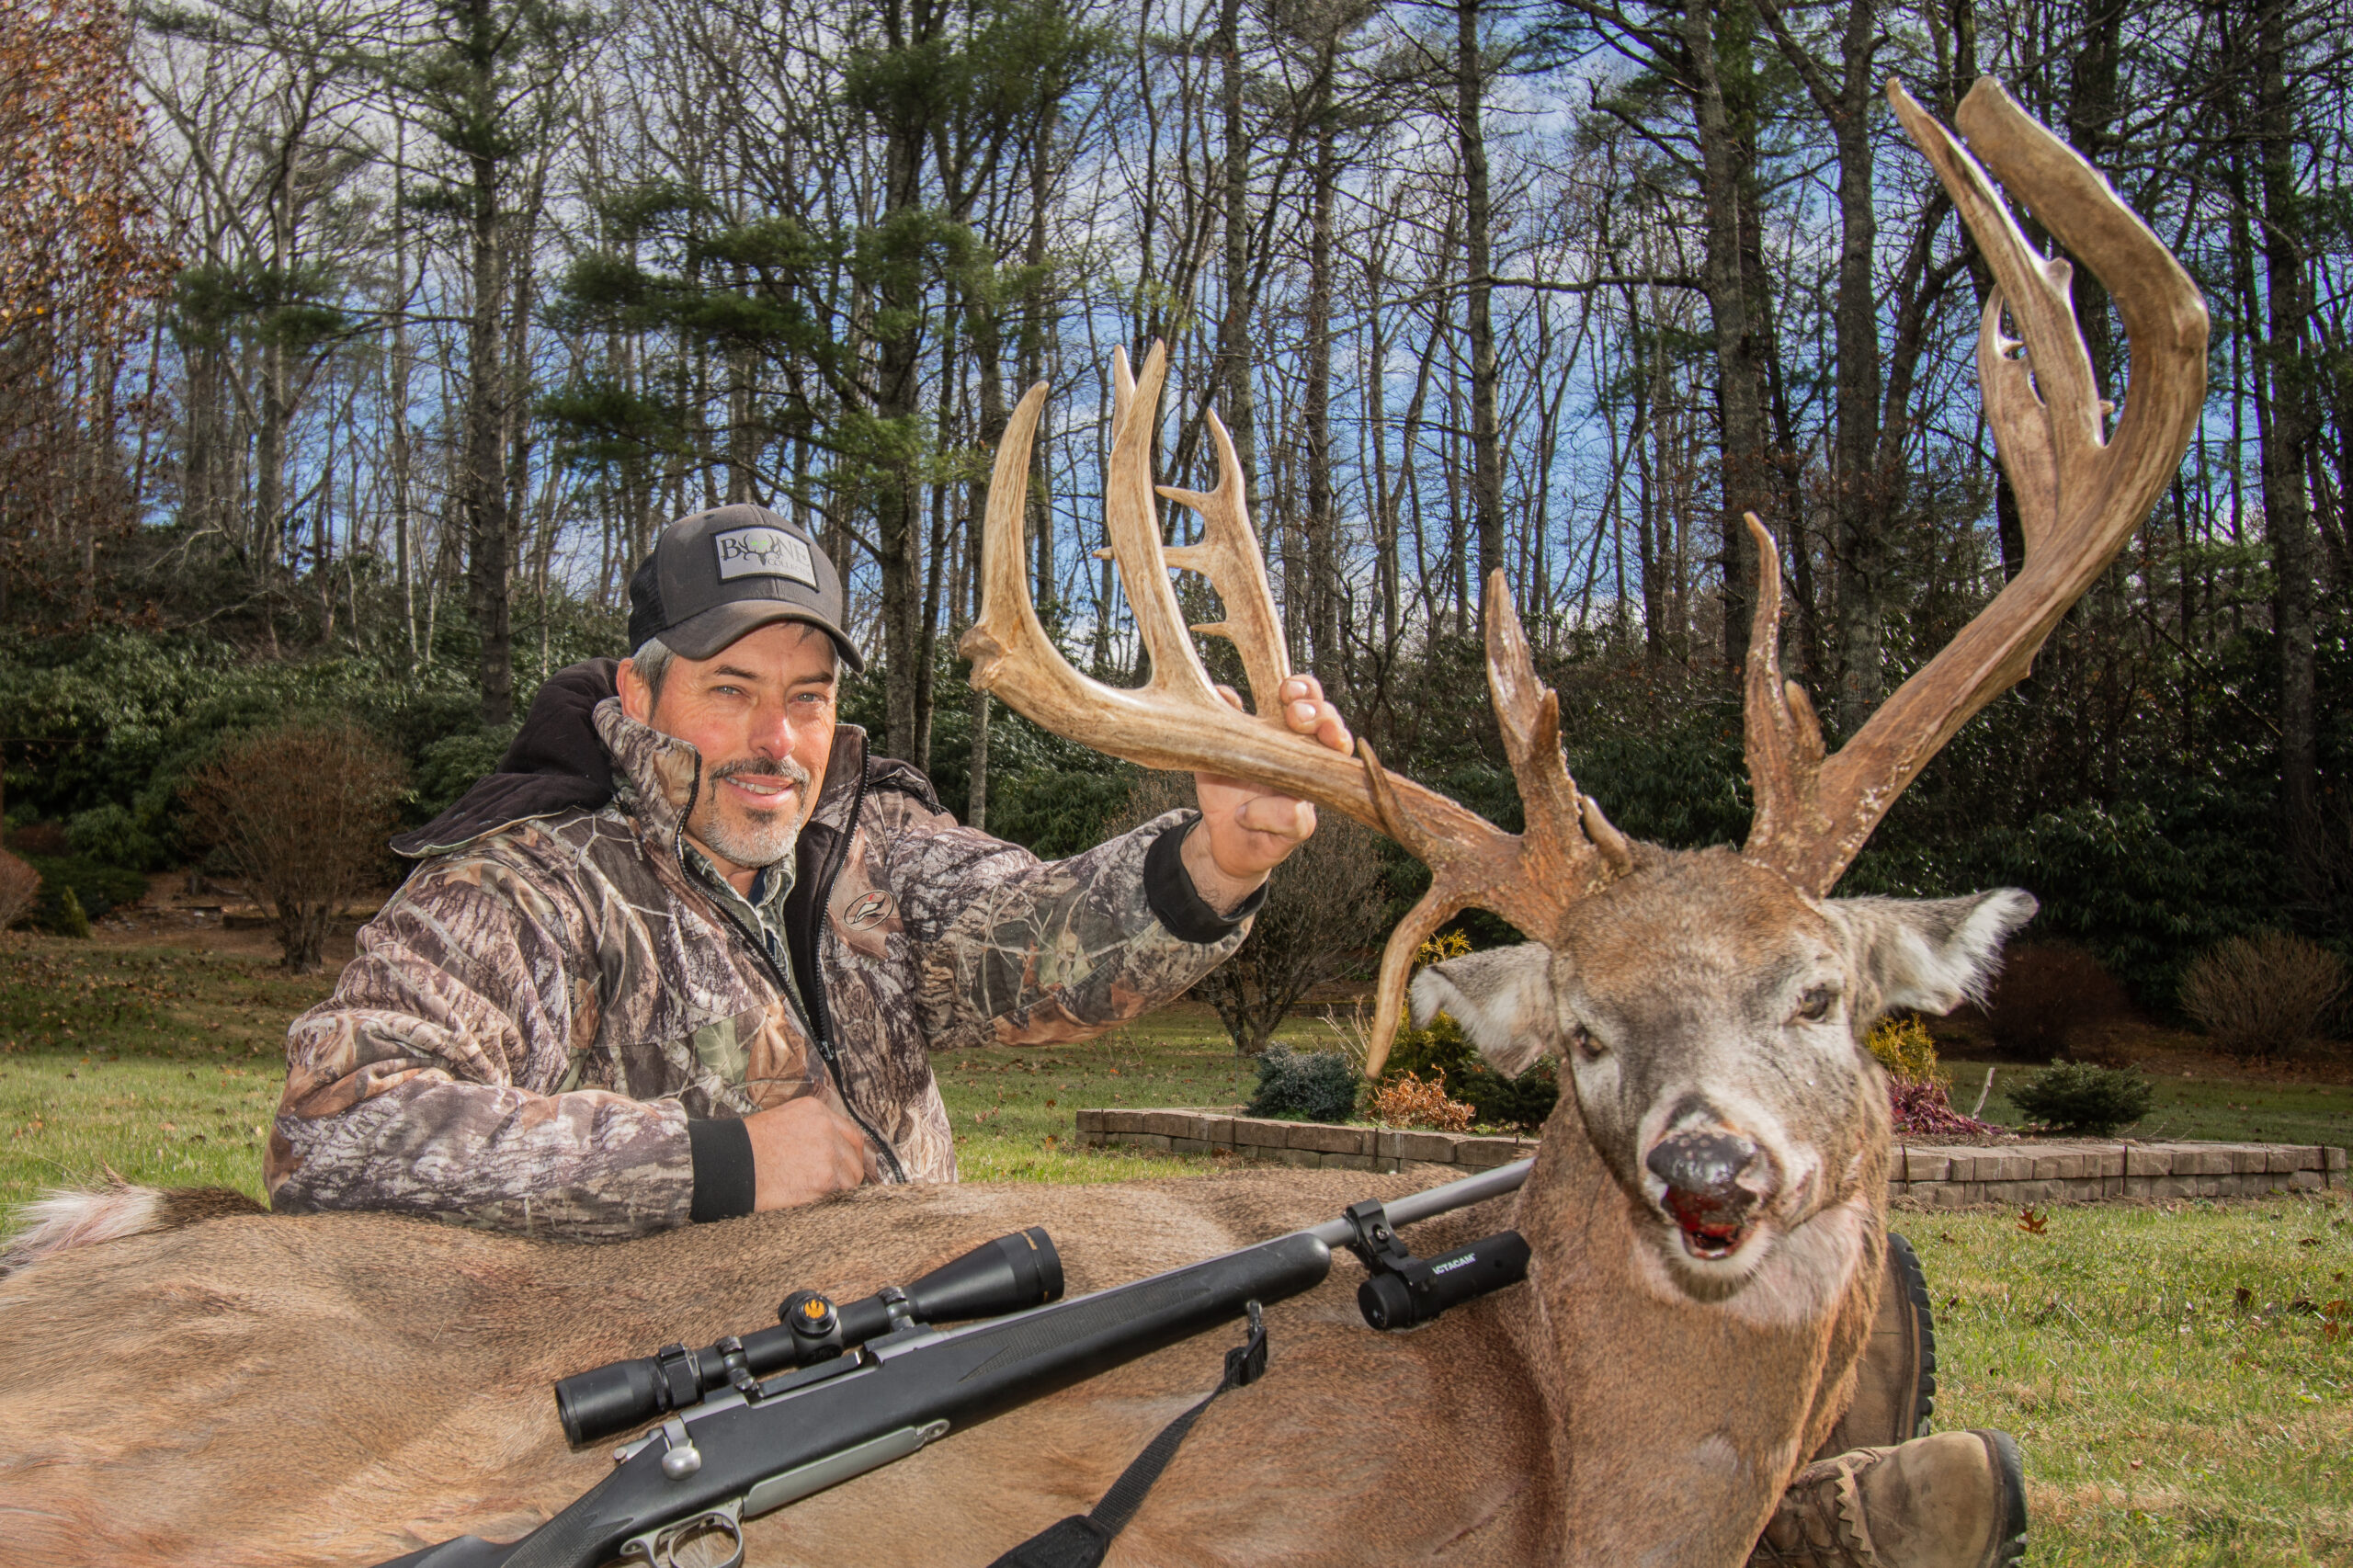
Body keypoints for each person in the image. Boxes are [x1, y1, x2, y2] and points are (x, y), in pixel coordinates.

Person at [267, 503, 1353, 1239]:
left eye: (808, 695)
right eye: (730, 689)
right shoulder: (533, 891)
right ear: (637, 698)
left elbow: (1027, 941)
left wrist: (1217, 855)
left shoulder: (868, 848)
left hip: (918, 1359)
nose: (776, 740)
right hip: (660, 1429)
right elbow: (336, 1126)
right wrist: (714, 1165)